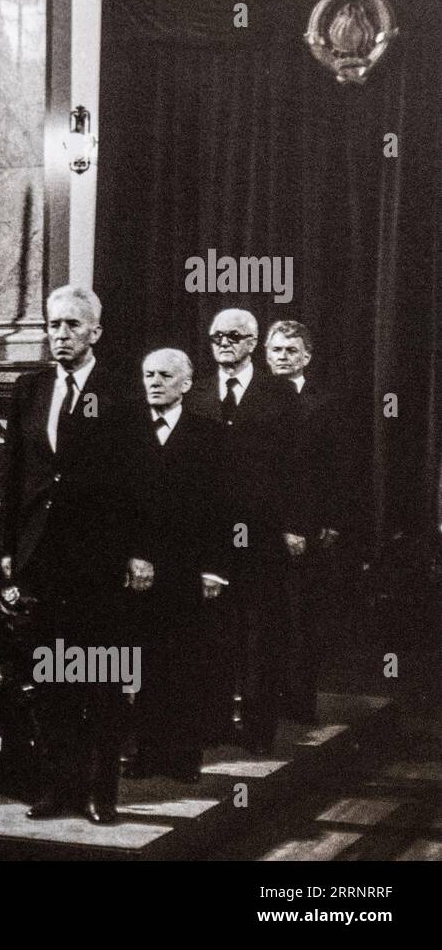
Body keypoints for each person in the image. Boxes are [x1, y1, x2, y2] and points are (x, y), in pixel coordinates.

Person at [0, 285, 141, 825]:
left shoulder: (123, 390)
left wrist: (138, 553)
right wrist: (4, 552)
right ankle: (60, 788)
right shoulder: (28, 389)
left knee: (101, 679)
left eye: (71, 326)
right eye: (53, 325)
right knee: (52, 679)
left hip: (99, 561)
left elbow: (139, 482)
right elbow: (12, 475)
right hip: (40, 558)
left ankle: (102, 795)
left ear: (95, 332)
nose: (60, 335)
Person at [184, 308, 303, 753]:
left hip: (261, 528)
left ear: (253, 342)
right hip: (208, 532)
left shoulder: (279, 394)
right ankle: (213, 722)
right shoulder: (194, 395)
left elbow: (296, 465)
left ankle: (257, 729)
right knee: (212, 628)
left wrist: (294, 524)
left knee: (259, 628)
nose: (224, 343)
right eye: (216, 336)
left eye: (234, 336)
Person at [122, 349, 229, 783]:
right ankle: (147, 753)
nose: (155, 382)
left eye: (165, 375)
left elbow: (223, 507)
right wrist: (130, 555)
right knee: (144, 659)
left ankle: (184, 757)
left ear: (186, 384)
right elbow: (115, 502)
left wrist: (215, 568)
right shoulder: (126, 431)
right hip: (137, 567)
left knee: (186, 660)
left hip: (189, 567)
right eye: (148, 374)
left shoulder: (210, 434)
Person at [265, 319, 353, 723]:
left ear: (307, 356)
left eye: (290, 350)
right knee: (264, 618)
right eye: (276, 350)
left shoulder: (327, 402)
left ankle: (297, 703)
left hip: (311, 524)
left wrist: (329, 520)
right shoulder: (251, 399)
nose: (282, 357)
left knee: (303, 615)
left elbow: (338, 468)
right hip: (260, 526)